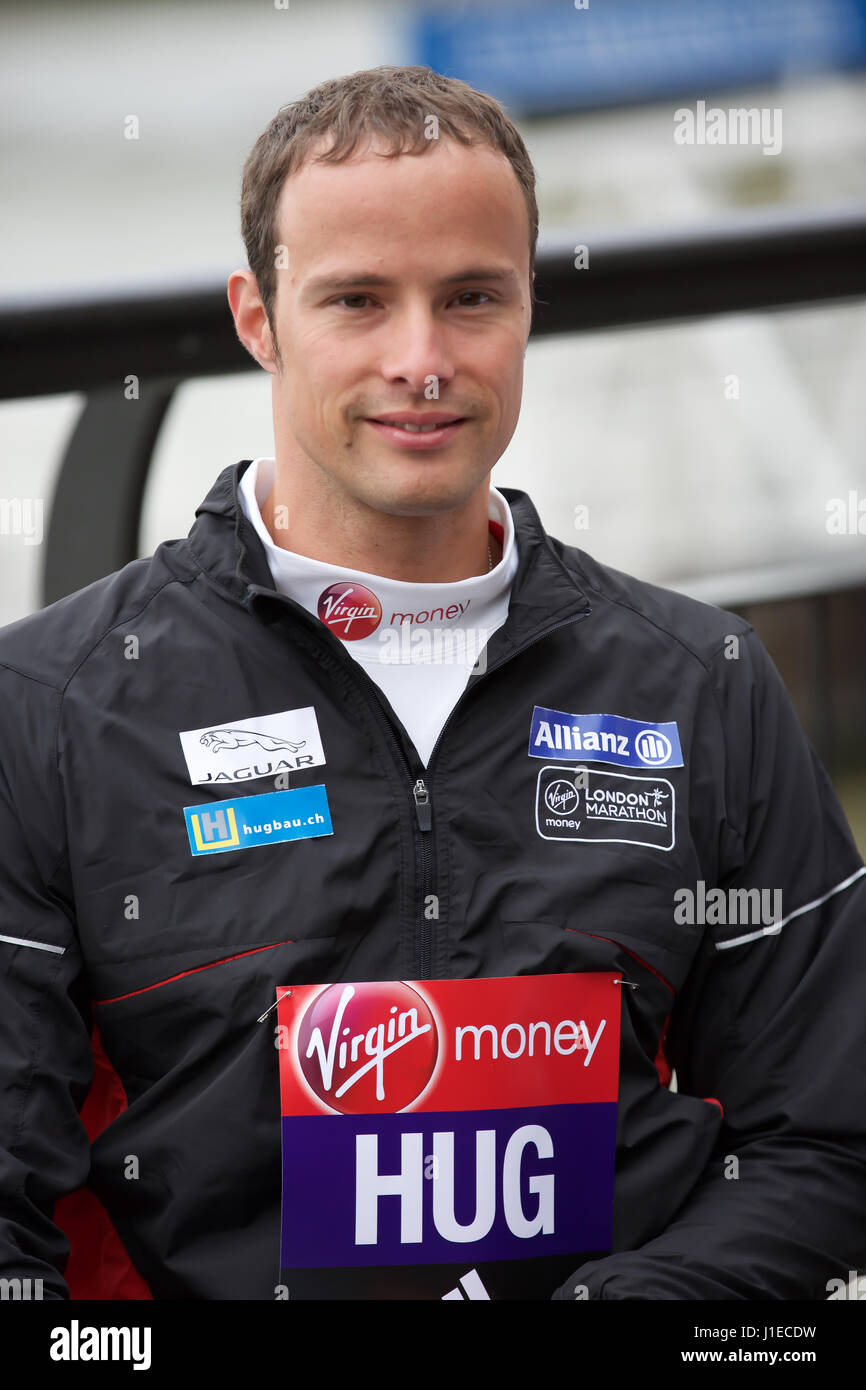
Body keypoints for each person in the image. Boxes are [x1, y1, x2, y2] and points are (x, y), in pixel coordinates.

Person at [1, 64, 864, 1303]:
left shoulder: (701, 681)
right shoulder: (46, 705)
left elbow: (823, 1138)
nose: (422, 359)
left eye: (470, 297)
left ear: (527, 310)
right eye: (357, 300)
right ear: (259, 316)